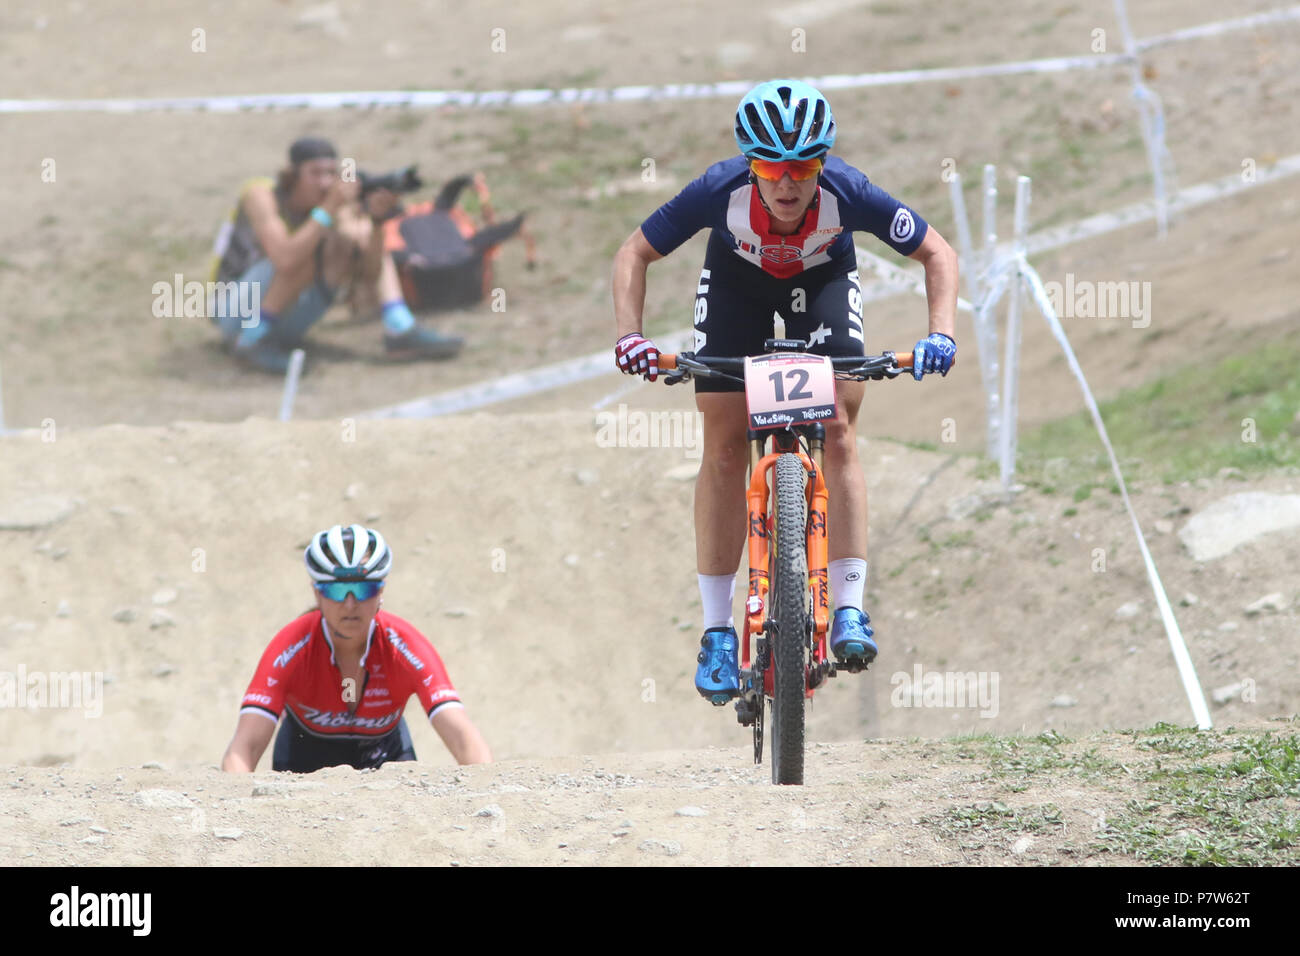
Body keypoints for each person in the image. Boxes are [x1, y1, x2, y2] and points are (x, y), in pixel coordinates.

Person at [610, 79, 958, 704]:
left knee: (839, 434)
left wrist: (941, 334)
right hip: (737, 288)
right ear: (751, 164)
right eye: (772, 167)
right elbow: (634, 252)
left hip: (823, 282)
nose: (789, 183)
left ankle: (849, 608)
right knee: (721, 445)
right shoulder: (719, 190)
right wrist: (630, 335)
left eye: (803, 167)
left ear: (822, 164)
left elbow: (938, 253)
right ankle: (718, 632)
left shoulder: (848, 192)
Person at [221, 524, 491, 772]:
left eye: (363, 589)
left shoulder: (405, 645)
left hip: (385, 754)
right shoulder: (291, 646)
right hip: (304, 757)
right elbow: (245, 746)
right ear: (317, 594)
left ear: (381, 592)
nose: (350, 605)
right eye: (337, 591)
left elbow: (461, 737)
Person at [210, 137, 463, 373]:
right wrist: (328, 209)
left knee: (350, 241)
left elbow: (370, 272)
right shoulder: (261, 194)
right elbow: (285, 260)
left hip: (282, 321)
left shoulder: (332, 207)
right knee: (304, 252)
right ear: (293, 175)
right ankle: (251, 341)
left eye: (331, 173)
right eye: (315, 173)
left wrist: (375, 222)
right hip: (236, 312)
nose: (325, 183)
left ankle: (400, 328)